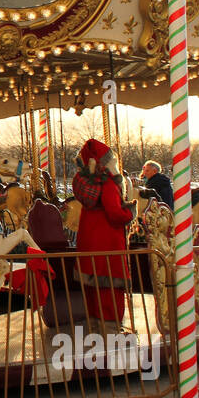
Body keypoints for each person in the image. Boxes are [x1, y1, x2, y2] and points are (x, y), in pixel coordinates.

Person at [72, 139, 135, 326]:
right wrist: (131, 212)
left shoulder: (88, 185)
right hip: (108, 244)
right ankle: (111, 329)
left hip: (89, 242)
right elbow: (115, 214)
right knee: (109, 291)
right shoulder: (107, 184)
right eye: (112, 161)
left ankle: (94, 327)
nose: (115, 164)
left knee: (93, 291)